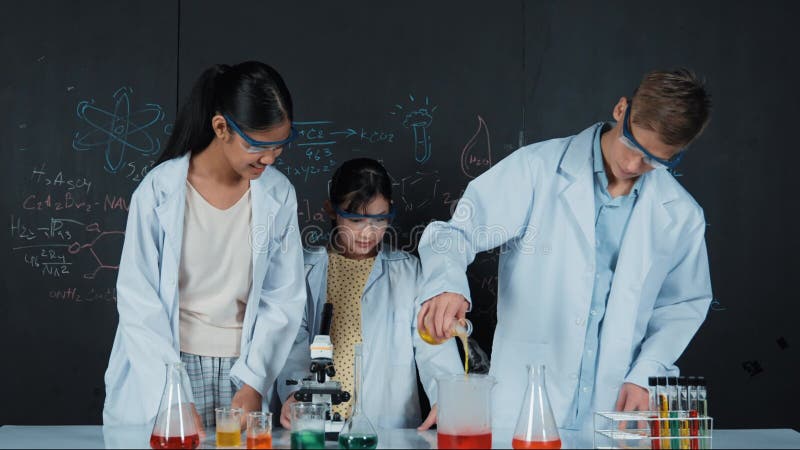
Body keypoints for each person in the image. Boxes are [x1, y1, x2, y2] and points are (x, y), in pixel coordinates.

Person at [416, 68, 713, 431]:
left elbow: (681, 306)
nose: (634, 165)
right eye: (634, 144)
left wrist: (646, 373)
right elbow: (453, 234)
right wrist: (447, 285)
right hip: (525, 409)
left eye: (656, 160)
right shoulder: (537, 170)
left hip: (615, 413)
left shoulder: (681, 215)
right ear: (621, 110)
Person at [103, 61, 306, 431]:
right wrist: (171, 393)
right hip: (170, 366)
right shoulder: (159, 190)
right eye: (258, 145)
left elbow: (283, 298)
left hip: (243, 369)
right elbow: (138, 297)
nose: (270, 158)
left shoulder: (279, 194)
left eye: (280, 145)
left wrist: (254, 382)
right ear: (221, 128)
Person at [277, 158, 463, 430]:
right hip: (315, 423)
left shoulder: (407, 272)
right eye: (355, 219)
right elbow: (293, 344)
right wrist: (295, 394)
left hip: (386, 423)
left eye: (379, 219)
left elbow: (432, 343)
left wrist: (450, 398)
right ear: (332, 210)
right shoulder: (304, 270)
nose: (368, 232)